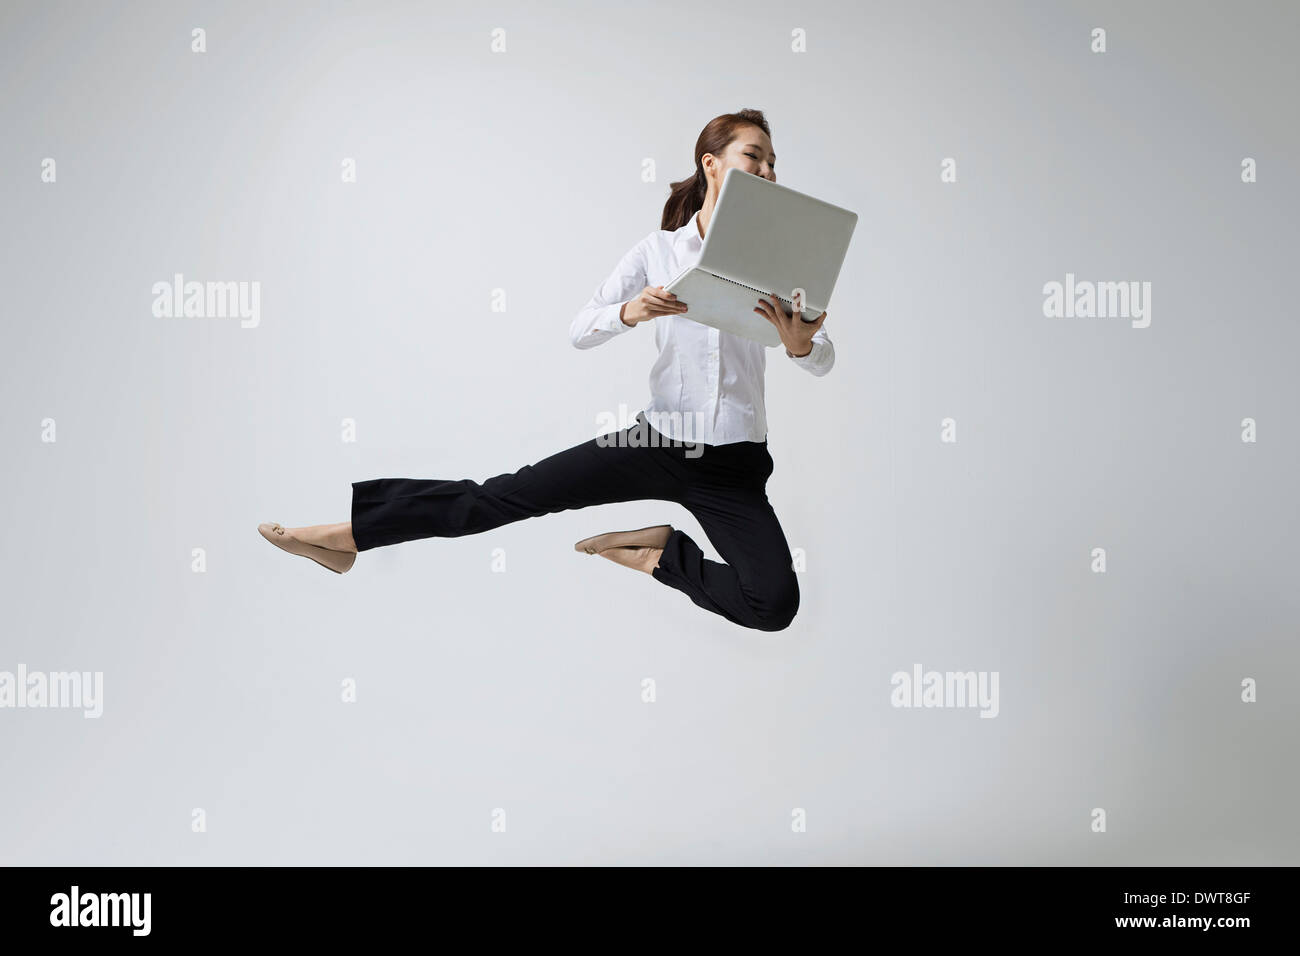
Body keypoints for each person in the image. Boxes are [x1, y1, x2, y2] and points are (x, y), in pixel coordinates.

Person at [259, 108, 834, 632]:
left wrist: (801, 345)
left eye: (772, 162)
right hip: (656, 440)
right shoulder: (657, 252)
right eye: (752, 156)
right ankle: (349, 536)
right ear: (712, 165)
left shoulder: (775, 261)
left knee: (775, 603)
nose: (766, 170)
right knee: (501, 496)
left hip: (734, 465)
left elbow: (823, 354)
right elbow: (580, 328)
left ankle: (662, 553)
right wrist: (629, 312)